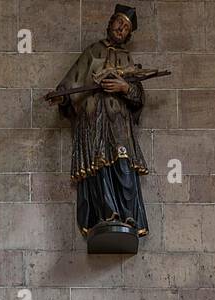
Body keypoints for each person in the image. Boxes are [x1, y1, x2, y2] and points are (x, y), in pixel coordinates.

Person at [47, 5, 150, 250]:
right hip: (94, 121)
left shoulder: (127, 60)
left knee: (124, 165)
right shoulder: (93, 51)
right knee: (100, 165)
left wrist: (125, 88)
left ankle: (128, 216)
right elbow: (71, 83)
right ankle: (107, 215)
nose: (120, 29)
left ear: (128, 35)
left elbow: (139, 97)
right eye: (118, 23)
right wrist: (61, 96)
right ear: (110, 23)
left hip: (118, 122)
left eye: (125, 27)